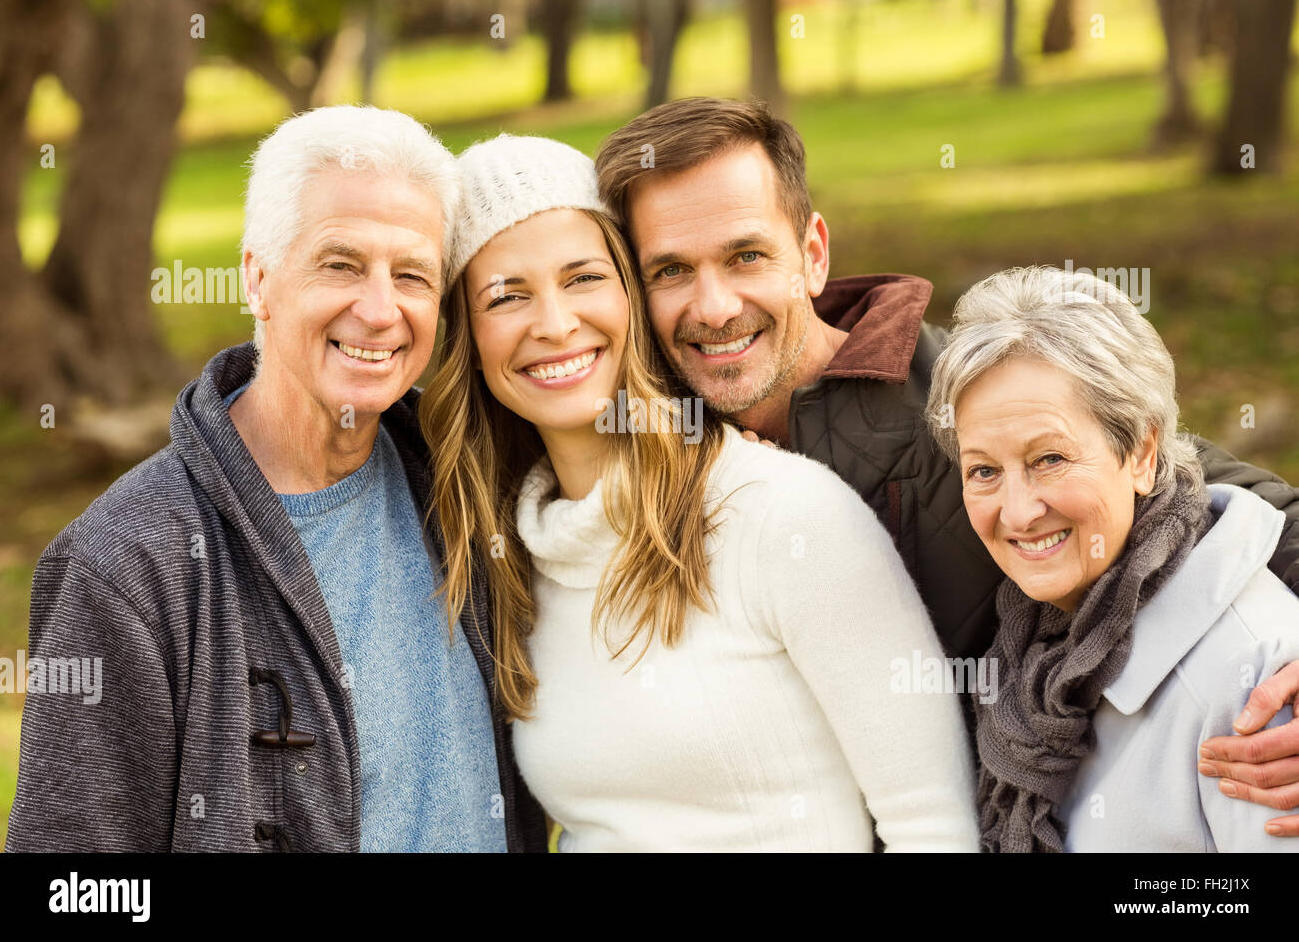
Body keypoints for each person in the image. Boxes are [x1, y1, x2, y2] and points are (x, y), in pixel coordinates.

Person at [593, 96, 1299, 832]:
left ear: (811, 254)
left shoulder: (958, 393)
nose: (713, 306)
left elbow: (1228, 499)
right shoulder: (639, 452)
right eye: (670, 270)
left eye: (745, 256)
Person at [5, 106, 545, 852]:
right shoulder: (124, 566)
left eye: (412, 275)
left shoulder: (468, 485)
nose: (381, 310)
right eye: (341, 264)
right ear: (258, 280)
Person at [420, 132, 979, 852]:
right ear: (468, 336)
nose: (554, 324)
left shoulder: (780, 514)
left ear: (631, 297)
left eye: (584, 278)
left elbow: (934, 828)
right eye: (506, 296)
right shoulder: (511, 555)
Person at [923, 266, 1299, 851]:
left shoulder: (1258, 680)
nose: (1018, 513)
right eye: (984, 471)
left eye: (1050, 458)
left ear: (1144, 453)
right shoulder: (1033, 653)